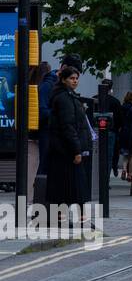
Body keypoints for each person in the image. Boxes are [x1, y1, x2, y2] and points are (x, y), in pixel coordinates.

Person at [45, 65, 92, 227]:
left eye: (76, 78)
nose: (75, 81)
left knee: (69, 186)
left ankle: (73, 218)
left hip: (64, 149)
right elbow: (68, 126)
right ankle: (74, 219)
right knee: (72, 186)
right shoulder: (64, 98)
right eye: (72, 78)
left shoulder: (66, 96)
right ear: (64, 79)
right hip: (66, 150)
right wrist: (76, 150)